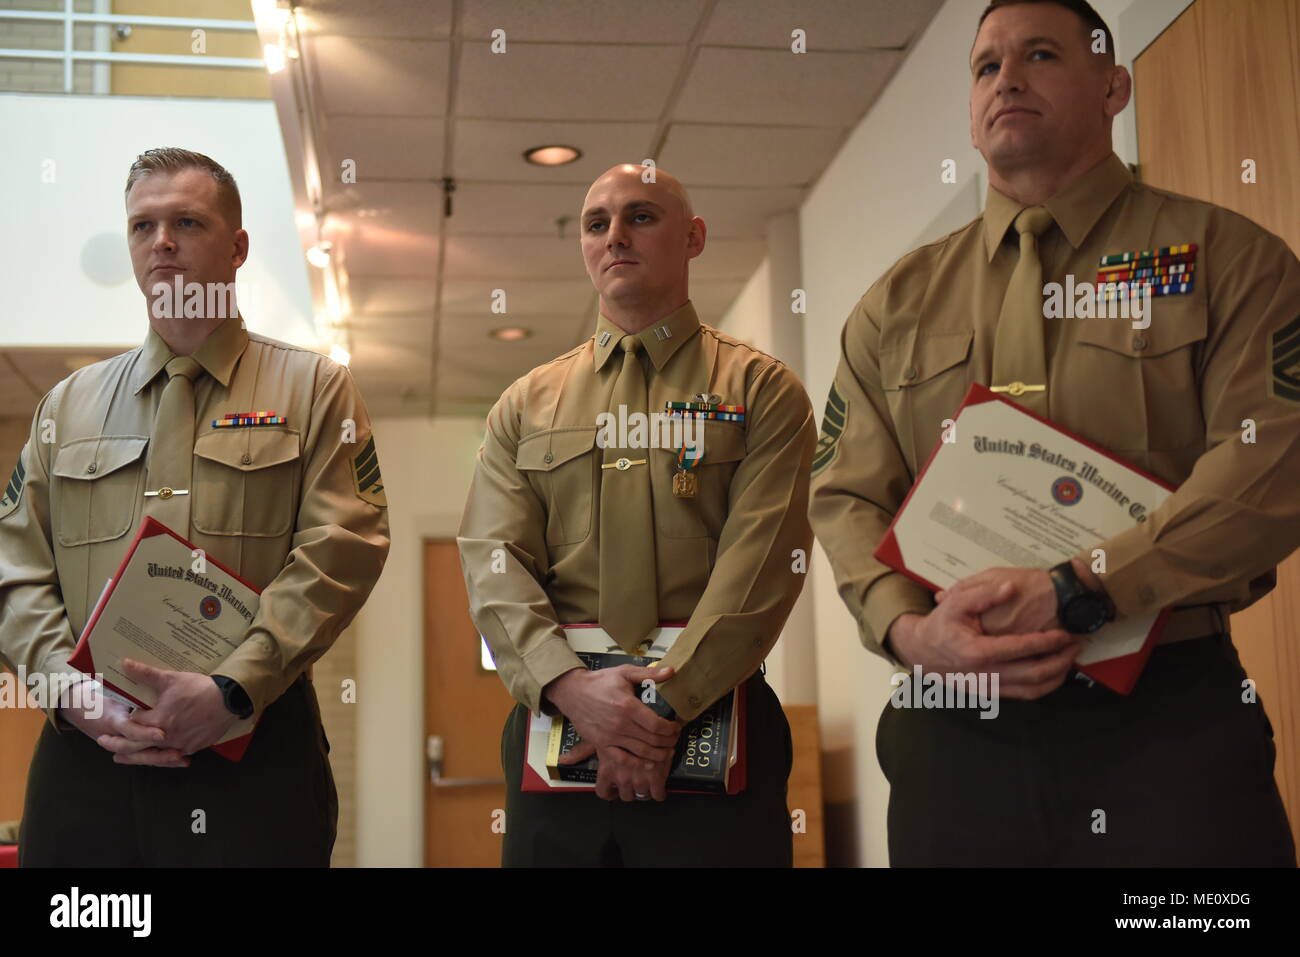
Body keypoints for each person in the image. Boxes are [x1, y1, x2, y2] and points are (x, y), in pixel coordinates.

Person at [809, 0, 1298, 866]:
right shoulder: (896, 303)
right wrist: (908, 633)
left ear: (1114, 85)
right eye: (986, 66)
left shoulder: (1230, 260)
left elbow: (1273, 462)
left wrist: (1087, 585)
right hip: (954, 727)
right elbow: (845, 494)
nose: (1007, 79)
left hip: (1167, 726)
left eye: (1040, 54)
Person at [0, 148, 390, 866]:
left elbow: (344, 547)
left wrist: (234, 686)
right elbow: (15, 568)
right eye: (143, 226)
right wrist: (69, 690)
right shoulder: (69, 406)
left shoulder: (315, 390)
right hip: (89, 751)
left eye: (187, 221)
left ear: (238, 247)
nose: (162, 243)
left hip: (250, 742)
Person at [457, 163, 815, 867]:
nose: (615, 235)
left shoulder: (760, 389)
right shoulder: (524, 405)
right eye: (597, 223)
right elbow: (493, 563)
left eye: (641, 216)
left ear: (694, 237)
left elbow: (762, 565)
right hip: (560, 732)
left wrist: (661, 708)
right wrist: (570, 688)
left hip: (719, 727)